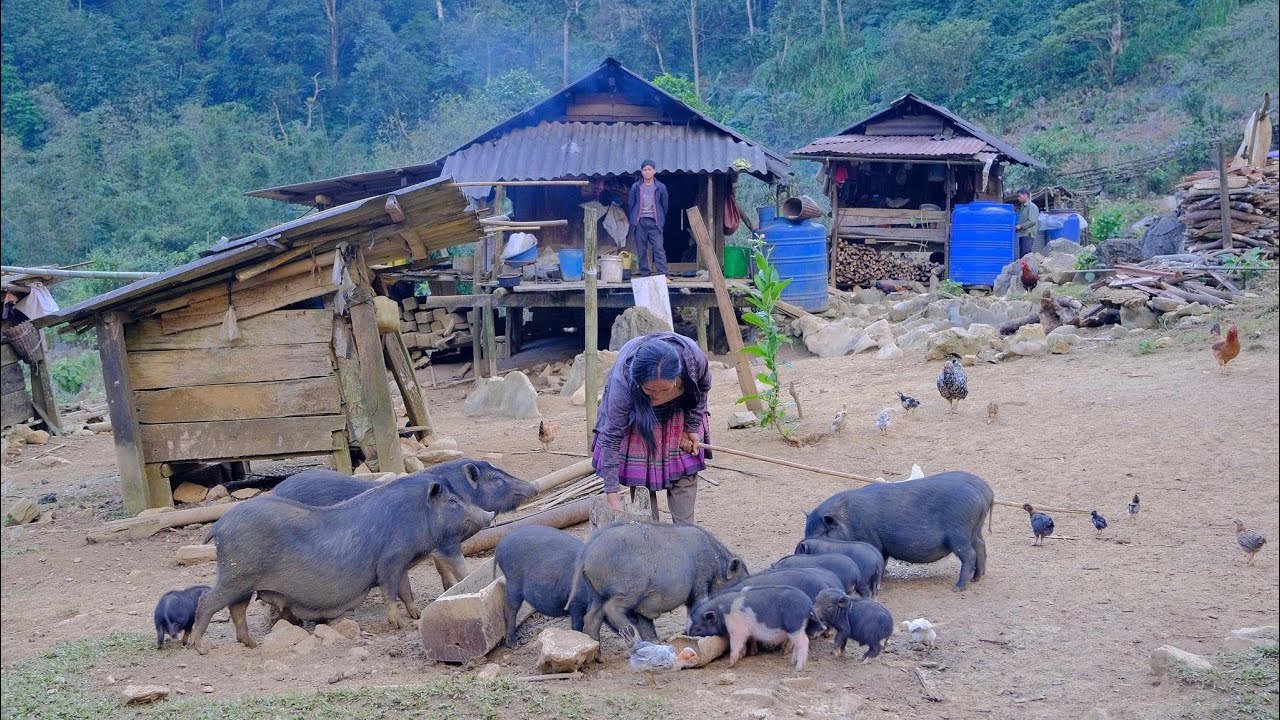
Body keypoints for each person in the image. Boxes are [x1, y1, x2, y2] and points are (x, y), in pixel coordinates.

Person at [593, 332, 711, 524]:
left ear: (678, 376)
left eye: (665, 390)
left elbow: (703, 388)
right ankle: (650, 534)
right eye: (650, 390)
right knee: (641, 482)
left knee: (684, 471)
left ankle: (686, 533)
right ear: (639, 383)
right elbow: (612, 438)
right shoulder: (623, 384)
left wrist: (690, 428)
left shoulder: (694, 360)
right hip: (638, 418)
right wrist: (612, 495)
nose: (657, 396)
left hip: (679, 413)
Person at [628, 160, 669, 277]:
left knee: (658, 248)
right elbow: (631, 204)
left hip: (655, 222)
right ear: (642, 172)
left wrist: (659, 218)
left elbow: (664, 206)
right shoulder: (636, 186)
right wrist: (635, 218)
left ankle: (663, 274)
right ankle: (645, 274)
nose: (647, 172)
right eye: (645, 170)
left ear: (654, 171)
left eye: (649, 169)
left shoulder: (660, 187)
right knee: (641, 250)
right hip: (640, 221)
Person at [1015, 188, 1040, 257]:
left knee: (1025, 254)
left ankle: (1028, 268)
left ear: (1025, 195)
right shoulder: (1023, 206)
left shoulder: (1031, 207)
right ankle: (1024, 268)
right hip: (1023, 234)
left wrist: (1021, 226)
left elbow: (1032, 221)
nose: (1018, 198)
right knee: (1023, 254)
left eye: (1019, 196)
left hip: (1028, 234)